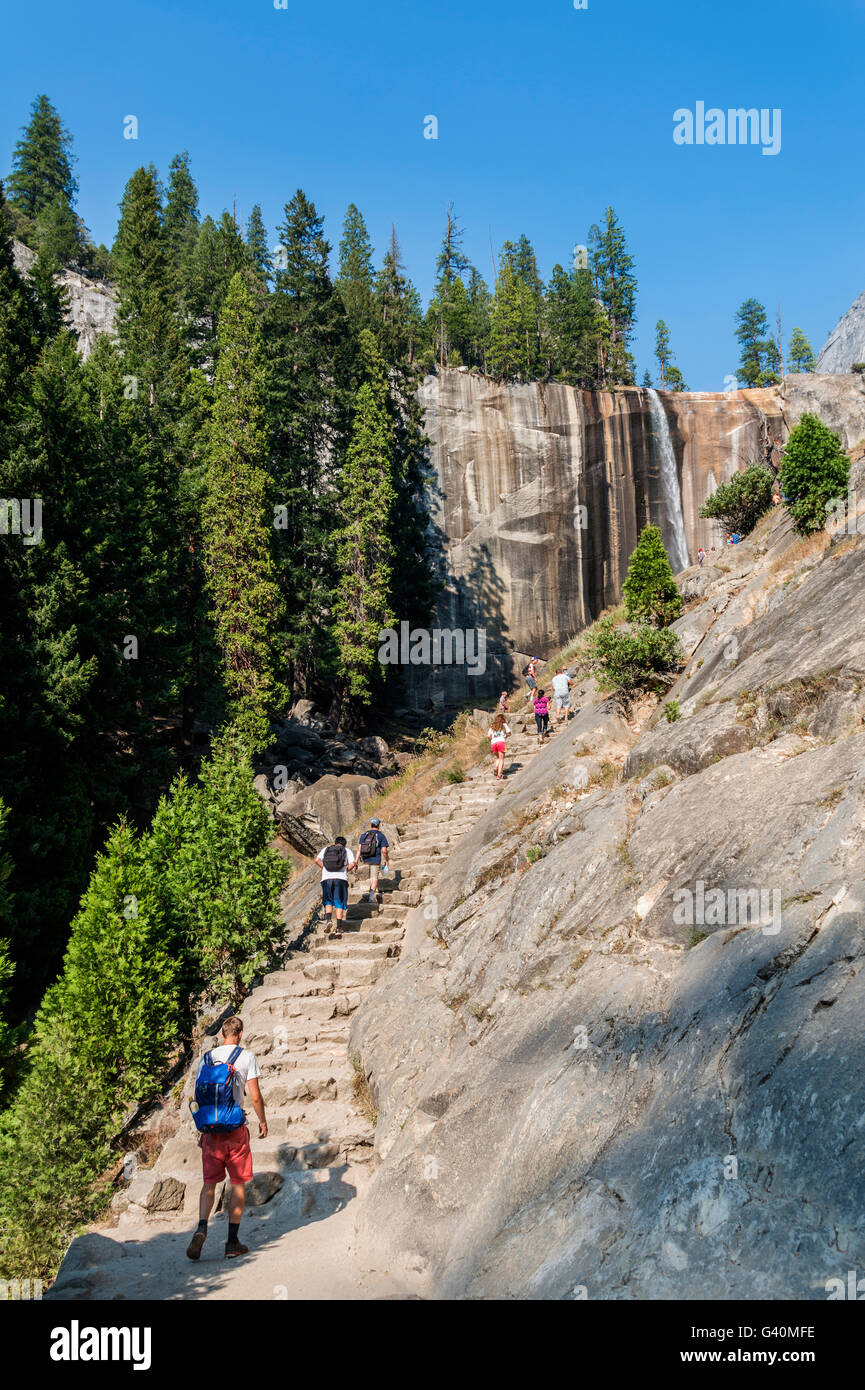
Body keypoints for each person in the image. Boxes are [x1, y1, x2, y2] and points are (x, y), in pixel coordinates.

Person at [186, 1016, 266, 1262]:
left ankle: (201, 1228)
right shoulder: (246, 1057)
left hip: (210, 1130)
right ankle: (232, 1243)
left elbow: (198, 1093)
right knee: (238, 1184)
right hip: (234, 1129)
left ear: (221, 1035)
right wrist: (263, 1120)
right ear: (240, 1034)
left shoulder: (207, 1059)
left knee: (209, 1184)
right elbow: (254, 1096)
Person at [315, 834, 355, 936]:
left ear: (335, 843)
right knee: (339, 902)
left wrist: (324, 868)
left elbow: (316, 860)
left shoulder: (326, 849)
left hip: (327, 878)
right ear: (344, 844)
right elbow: (353, 863)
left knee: (328, 900)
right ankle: (339, 928)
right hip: (340, 879)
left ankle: (328, 920)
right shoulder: (347, 851)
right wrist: (345, 870)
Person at [356, 816, 389, 902]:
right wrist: (387, 860)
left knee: (370, 878)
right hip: (375, 859)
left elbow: (359, 849)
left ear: (371, 825)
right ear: (378, 825)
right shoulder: (381, 835)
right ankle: (371, 897)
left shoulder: (364, 835)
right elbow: (384, 850)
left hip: (365, 859)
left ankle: (364, 895)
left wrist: (356, 861)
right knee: (374, 878)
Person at [487, 712, 511, 780]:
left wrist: (493, 739)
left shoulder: (492, 726)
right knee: (501, 759)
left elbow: (489, 736)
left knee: (498, 757)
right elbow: (509, 733)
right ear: (503, 719)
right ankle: (499, 775)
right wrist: (505, 735)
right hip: (501, 742)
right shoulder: (504, 725)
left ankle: (495, 767)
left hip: (494, 743)